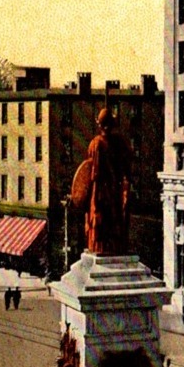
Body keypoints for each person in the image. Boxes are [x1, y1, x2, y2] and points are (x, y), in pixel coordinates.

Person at [70, 107, 133, 256]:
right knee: (113, 220)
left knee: (102, 222)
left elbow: (94, 173)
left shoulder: (97, 144)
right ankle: (109, 245)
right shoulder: (118, 143)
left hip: (101, 192)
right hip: (113, 192)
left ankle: (102, 245)